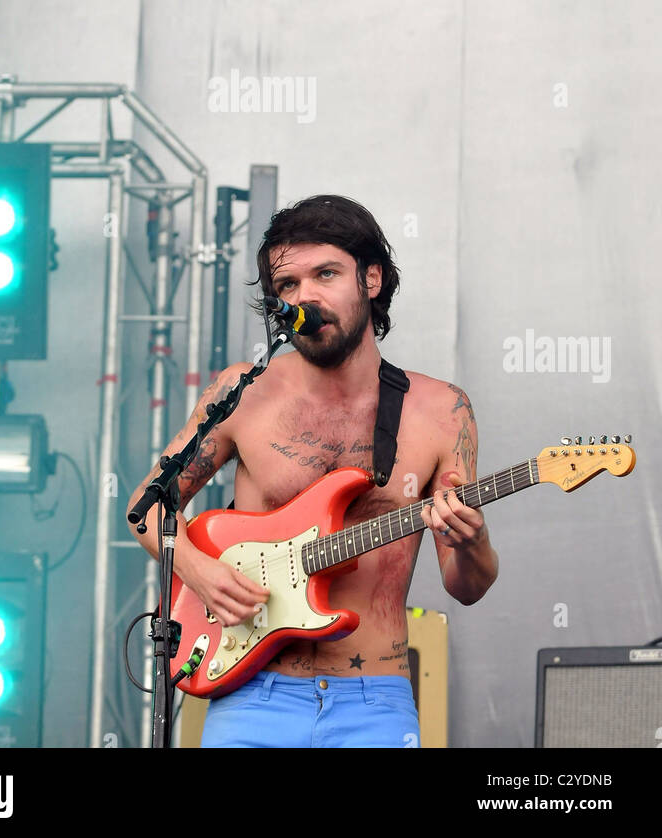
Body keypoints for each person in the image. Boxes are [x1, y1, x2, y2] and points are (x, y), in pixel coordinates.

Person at [126, 194, 499, 748]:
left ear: (371, 279)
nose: (306, 297)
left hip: (374, 697)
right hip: (253, 693)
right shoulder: (243, 392)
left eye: (325, 274)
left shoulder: (441, 411)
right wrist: (200, 570)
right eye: (288, 286)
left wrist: (472, 542)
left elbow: (466, 587)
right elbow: (146, 505)